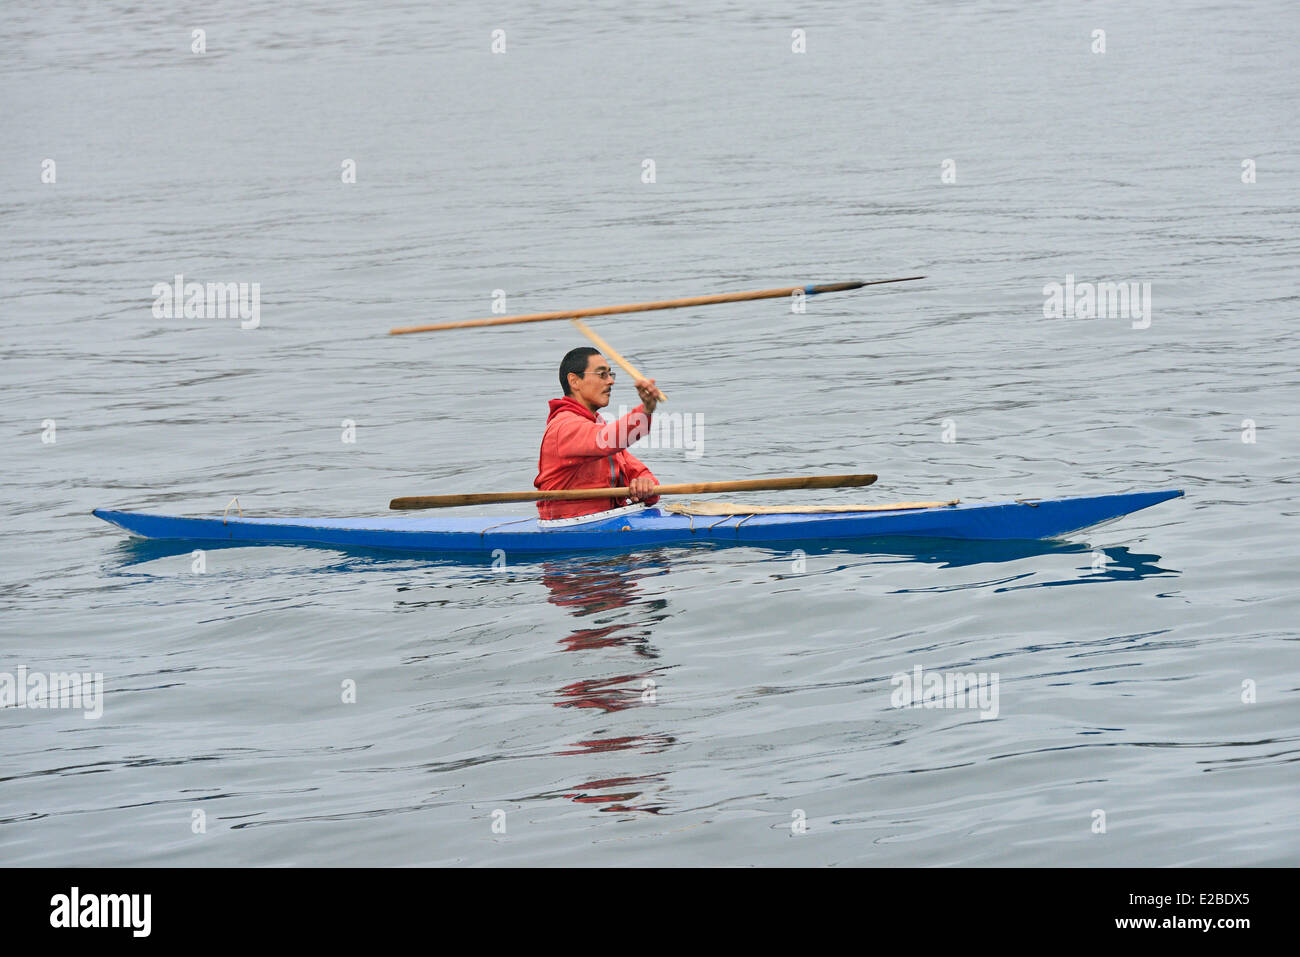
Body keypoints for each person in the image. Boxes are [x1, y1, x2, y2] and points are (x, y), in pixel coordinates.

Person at [534, 347, 662, 519]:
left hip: (610, 520)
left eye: (610, 374)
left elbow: (642, 476)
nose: (610, 381)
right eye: (602, 375)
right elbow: (607, 440)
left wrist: (645, 485)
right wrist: (646, 410)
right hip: (570, 528)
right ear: (574, 381)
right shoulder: (564, 427)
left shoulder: (597, 426)